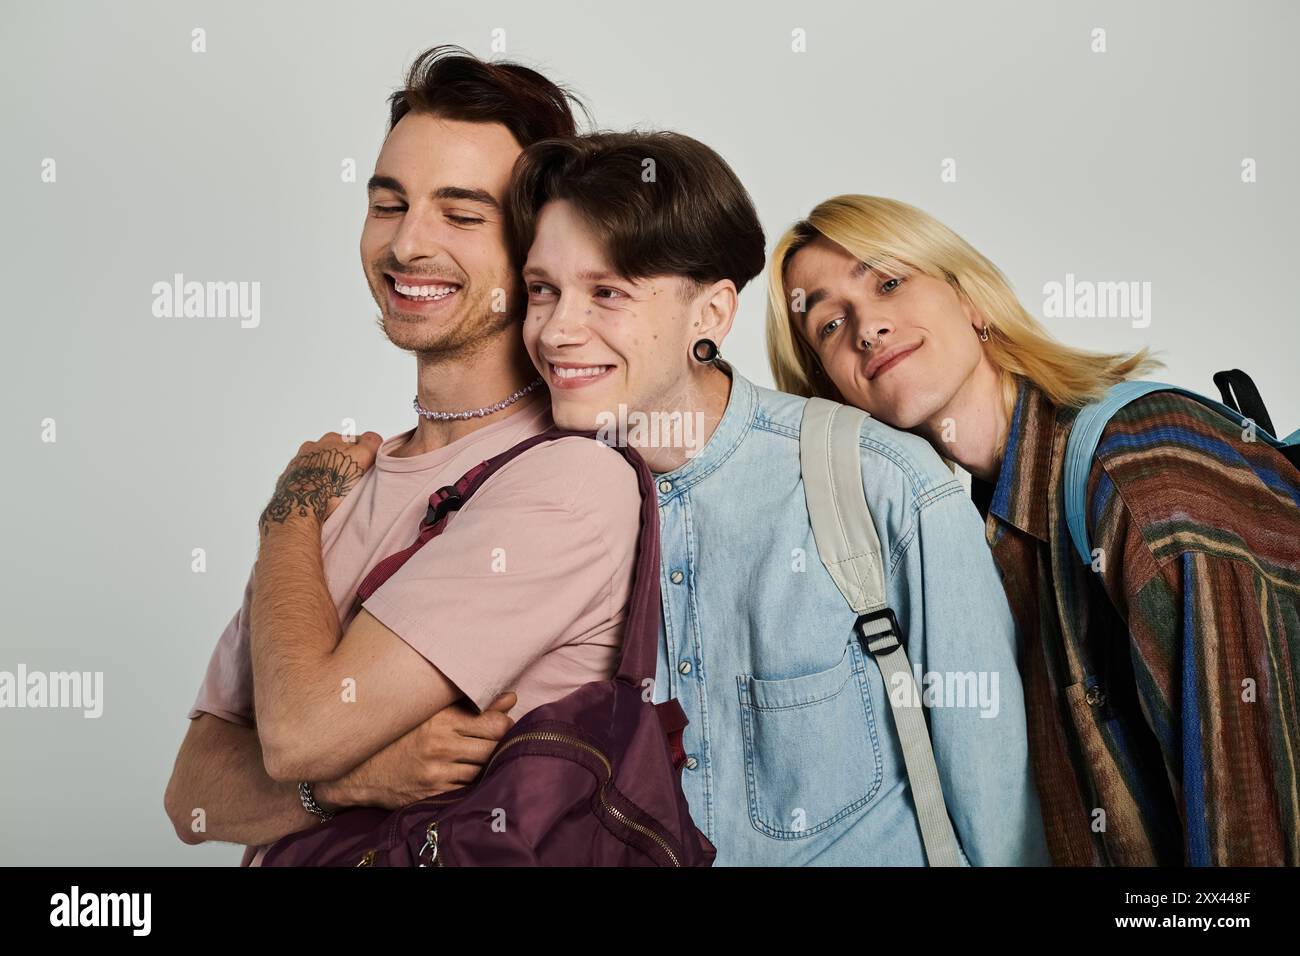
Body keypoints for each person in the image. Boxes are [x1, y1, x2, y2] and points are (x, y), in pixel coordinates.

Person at [506, 132, 1050, 865]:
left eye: (608, 292)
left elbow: (999, 813)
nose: (558, 330)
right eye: (544, 291)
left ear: (712, 314)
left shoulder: (879, 481)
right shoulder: (531, 504)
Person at [163, 47, 642, 866]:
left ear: (538, 243)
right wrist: (344, 786)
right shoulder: (346, 480)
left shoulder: (570, 481)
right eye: (389, 204)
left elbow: (303, 730)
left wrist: (285, 522)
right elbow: (193, 799)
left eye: (461, 214)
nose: (407, 244)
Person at [766, 193, 1300, 865]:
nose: (866, 326)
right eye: (828, 326)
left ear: (971, 301)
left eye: (889, 281)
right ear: (832, 392)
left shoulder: (1132, 462)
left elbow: (1253, 818)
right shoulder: (983, 534)